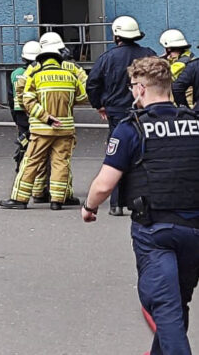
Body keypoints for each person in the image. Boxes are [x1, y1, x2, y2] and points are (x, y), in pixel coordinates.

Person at [81, 57, 199, 355]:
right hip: (194, 228)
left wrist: (90, 207)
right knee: (176, 302)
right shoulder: (195, 124)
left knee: (163, 305)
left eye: (133, 86)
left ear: (142, 89)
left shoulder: (132, 128)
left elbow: (105, 184)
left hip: (155, 229)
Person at [0, 32, 88, 210]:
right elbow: (84, 94)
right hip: (65, 127)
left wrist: (39, 115)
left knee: (31, 160)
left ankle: (21, 198)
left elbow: (23, 94)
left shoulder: (35, 72)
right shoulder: (71, 71)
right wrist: (67, 103)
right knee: (61, 162)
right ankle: (58, 199)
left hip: (41, 127)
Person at [87, 15, 157, 216]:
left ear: (116, 34)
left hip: (116, 113)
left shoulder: (107, 58)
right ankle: (144, 201)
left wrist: (99, 105)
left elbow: (93, 83)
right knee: (145, 153)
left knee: (116, 154)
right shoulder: (149, 55)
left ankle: (116, 204)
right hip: (145, 110)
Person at [10, 40, 42, 169]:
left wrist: (15, 119)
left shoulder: (15, 74)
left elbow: (10, 98)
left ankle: (21, 164)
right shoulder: (39, 72)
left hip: (19, 113)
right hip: (36, 111)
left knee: (24, 139)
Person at [161, 29, 197, 107]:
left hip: (187, 104)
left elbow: (162, 76)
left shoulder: (182, 62)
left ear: (169, 49)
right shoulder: (188, 56)